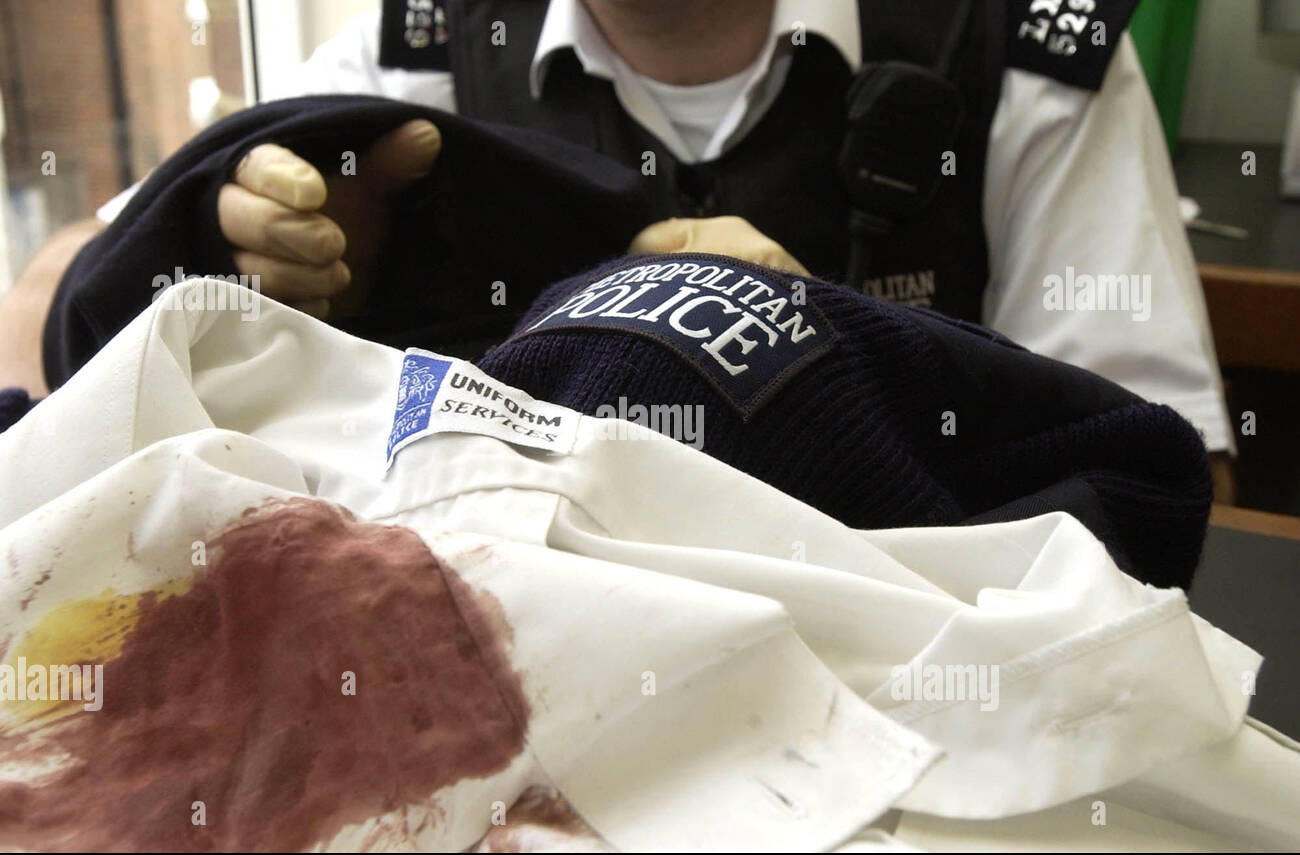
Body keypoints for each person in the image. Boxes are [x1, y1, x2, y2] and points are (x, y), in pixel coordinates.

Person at [0, 0, 1234, 493]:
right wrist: (281, 290)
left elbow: (1158, 473)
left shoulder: (1014, 45)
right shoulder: (411, 53)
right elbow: (65, 315)